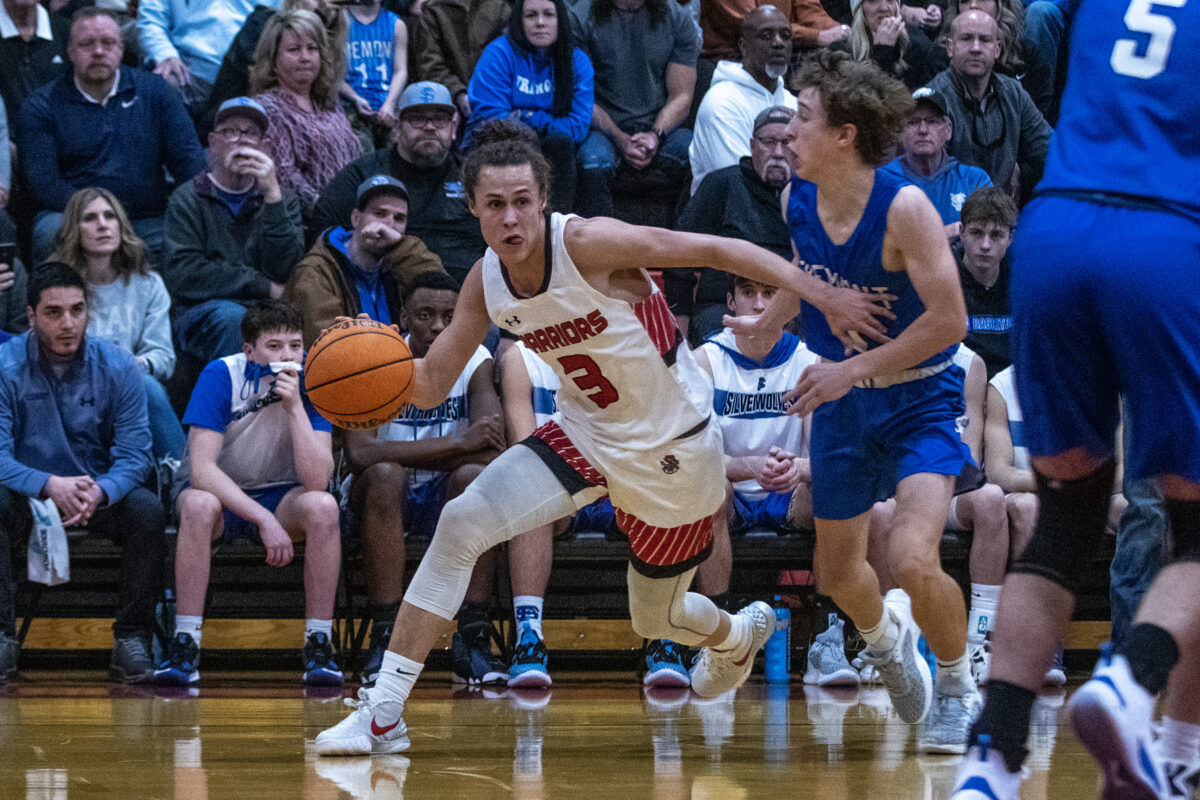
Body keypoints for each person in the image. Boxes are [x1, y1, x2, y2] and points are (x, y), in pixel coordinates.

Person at [313, 117, 894, 756]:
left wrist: (820, 295)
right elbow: (429, 384)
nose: (511, 220)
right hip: (585, 432)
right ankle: (383, 715)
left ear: (545, 201)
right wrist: (373, 365)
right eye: (495, 205)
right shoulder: (484, 280)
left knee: (657, 618)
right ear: (473, 208)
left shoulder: (589, 244)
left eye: (523, 203)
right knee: (460, 522)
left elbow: (717, 250)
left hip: (672, 450)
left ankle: (733, 635)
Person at [948, 0, 1200, 794]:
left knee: (1066, 516)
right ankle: (1132, 686)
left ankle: (990, 759)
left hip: (1053, 235)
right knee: (1197, 529)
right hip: (1163, 236)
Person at [760, 49, 978, 754]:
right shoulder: (797, 197)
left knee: (913, 558)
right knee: (837, 574)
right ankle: (888, 641)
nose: (788, 130)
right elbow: (804, 274)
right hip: (847, 401)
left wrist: (848, 373)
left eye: (803, 116)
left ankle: (955, 683)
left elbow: (950, 322)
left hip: (919, 397)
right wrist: (768, 321)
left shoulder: (905, 207)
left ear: (845, 134)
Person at [154, 300, 343, 686]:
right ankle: (185, 642)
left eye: (294, 345)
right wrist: (263, 519)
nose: (287, 355)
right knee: (196, 503)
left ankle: (319, 643)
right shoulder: (220, 374)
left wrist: (294, 408)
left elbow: (317, 481)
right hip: (224, 497)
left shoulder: (314, 381)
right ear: (249, 350)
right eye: (274, 346)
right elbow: (202, 471)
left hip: (282, 495)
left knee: (323, 508)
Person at [340, 270, 509, 685]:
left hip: (442, 492)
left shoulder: (476, 361)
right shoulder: (371, 360)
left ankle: (472, 632)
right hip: (379, 499)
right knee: (384, 476)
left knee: (476, 477)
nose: (437, 326)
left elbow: (490, 447)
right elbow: (360, 454)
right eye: (425, 314)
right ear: (404, 317)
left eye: (449, 316)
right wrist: (457, 445)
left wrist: (462, 450)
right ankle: (386, 631)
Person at [0, 262, 165, 684]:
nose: (68, 323)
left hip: (93, 493)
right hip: (26, 491)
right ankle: (2, 638)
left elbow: (136, 454)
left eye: (77, 310)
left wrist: (103, 491)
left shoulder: (119, 365)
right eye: (53, 312)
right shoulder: (4, 365)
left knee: (146, 510)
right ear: (31, 315)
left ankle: (132, 638)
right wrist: (48, 485)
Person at [17, 7, 206, 266]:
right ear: (70, 51)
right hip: (75, 217)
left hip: (147, 217)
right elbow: (44, 182)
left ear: (121, 48)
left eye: (108, 43)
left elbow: (188, 160)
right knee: (49, 232)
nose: (98, 52)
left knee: (185, 232)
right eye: (87, 44)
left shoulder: (155, 92)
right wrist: (98, 213)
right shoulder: (41, 105)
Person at [693, 275, 819, 645]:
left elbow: (829, 461)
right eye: (749, 293)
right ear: (730, 301)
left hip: (791, 494)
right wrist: (749, 466)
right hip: (730, 489)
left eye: (770, 293)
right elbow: (694, 459)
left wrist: (798, 468)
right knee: (707, 491)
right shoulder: (705, 361)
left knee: (835, 496)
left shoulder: (808, 362)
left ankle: (828, 637)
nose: (760, 305)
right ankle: (719, 639)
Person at [164, 96, 306, 364]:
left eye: (250, 133)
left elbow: (286, 270)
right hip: (203, 310)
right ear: (213, 143)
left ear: (265, 147)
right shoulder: (188, 197)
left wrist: (272, 197)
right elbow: (184, 274)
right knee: (236, 321)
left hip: (267, 309)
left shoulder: (282, 198)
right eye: (229, 131)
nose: (240, 139)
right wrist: (262, 285)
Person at [49, 188, 185, 463]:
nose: (102, 225)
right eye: (90, 218)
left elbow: (163, 356)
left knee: (145, 385)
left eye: (110, 216)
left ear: (121, 225)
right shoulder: (57, 285)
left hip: (131, 386)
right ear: (74, 229)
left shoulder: (147, 284)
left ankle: (182, 477)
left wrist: (137, 364)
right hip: (72, 391)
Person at [309, 81, 487, 284]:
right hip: (390, 293)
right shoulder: (363, 174)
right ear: (397, 127)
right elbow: (322, 235)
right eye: (417, 118)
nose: (429, 127)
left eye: (440, 119)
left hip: (470, 295)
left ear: (453, 128)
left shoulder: (474, 179)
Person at [666, 105, 794, 348]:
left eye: (787, 142)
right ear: (752, 144)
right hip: (723, 309)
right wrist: (680, 338)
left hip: (791, 309)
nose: (778, 152)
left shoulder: (812, 195)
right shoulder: (722, 184)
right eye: (768, 142)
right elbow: (678, 261)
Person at [569, 0, 700, 219]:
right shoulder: (579, 16)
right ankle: (597, 246)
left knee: (694, 153)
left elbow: (682, 95)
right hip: (602, 129)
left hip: (660, 128)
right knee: (593, 160)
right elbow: (581, 97)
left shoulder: (677, 18)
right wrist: (620, 138)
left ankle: (682, 243)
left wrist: (655, 135)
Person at [285, 174, 443, 348]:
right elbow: (328, 345)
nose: (389, 224)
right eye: (379, 214)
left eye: (399, 218)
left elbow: (442, 297)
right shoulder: (315, 271)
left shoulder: (404, 259)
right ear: (356, 218)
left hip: (404, 366)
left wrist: (400, 246)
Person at [465, 0, 594, 212]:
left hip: (556, 143)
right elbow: (491, 117)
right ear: (518, 21)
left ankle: (556, 225)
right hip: (500, 141)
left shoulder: (576, 61)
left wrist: (529, 116)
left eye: (549, 15)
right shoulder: (498, 53)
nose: (540, 22)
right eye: (531, 15)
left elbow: (578, 126)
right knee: (534, 144)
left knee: (561, 144)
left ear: (560, 20)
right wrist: (533, 128)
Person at [927, 10, 1050, 202]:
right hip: (952, 217)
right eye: (966, 38)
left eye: (985, 40)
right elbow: (933, 182)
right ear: (950, 47)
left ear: (997, 49)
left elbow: (1048, 150)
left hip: (1003, 218)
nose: (976, 48)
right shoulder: (933, 99)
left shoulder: (1013, 93)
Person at [250, 8, 362, 216]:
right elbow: (285, 175)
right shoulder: (267, 109)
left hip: (349, 217)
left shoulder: (330, 105)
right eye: (294, 50)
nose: (305, 57)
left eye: (312, 48)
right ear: (273, 59)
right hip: (305, 222)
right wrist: (328, 211)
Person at [197, 0, 347, 137]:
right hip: (234, 132)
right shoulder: (262, 23)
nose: (323, 4)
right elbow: (278, 86)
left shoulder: (334, 39)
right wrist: (319, 18)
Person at [688, 6, 796, 195]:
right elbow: (740, 184)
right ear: (744, 46)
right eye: (766, 36)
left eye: (785, 35)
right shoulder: (721, 102)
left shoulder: (793, 103)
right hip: (730, 216)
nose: (778, 43)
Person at [882, 88, 991, 238]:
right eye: (913, 122)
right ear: (900, 133)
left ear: (948, 130)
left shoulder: (974, 181)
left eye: (932, 121)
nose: (923, 130)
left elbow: (987, 238)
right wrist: (951, 231)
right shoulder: (882, 181)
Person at [135, 0, 278, 114]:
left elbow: (282, 26)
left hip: (247, 75)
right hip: (189, 68)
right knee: (156, 90)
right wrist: (164, 53)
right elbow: (151, 20)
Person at [414, 0, 510, 122]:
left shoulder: (499, 7)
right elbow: (430, 66)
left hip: (495, 98)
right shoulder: (433, 11)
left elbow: (508, 58)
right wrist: (458, 93)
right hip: (449, 103)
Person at [953, 186, 1014, 378]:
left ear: (1010, 238)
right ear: (962, 233)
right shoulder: (943, 275)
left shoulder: (1022, 278)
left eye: (996, 235)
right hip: (959, 384)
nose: (986, 245)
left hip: (1009, 385)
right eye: (977, 233)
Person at [341, 0, 408, 142]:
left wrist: (390, 103)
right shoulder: (340, 22)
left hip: (387, 107)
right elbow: (332, 74)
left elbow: (400, 71)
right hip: (349, 106)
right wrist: (355, 98)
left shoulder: (396, 25)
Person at [843, 0, 947, 89]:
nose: (884, 8)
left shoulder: (918, 46)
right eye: (873, 0)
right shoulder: (842, 52)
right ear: (860, 11)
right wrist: (883, 51)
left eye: (890, 0)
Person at [700, 0, 847, 59]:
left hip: (789, 51)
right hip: (737, 60)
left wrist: (839, 31)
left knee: (844, 53)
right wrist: (818, 36)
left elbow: (810, 10)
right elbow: (754, 25)